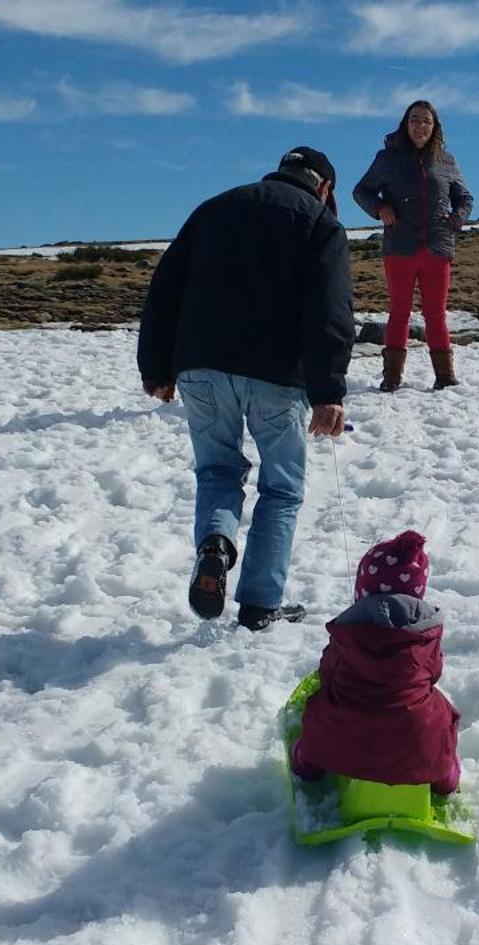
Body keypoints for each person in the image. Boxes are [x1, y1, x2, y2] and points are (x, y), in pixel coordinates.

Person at [138, 146, 352, 631]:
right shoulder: (322, 224)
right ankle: (259, 605)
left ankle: (215, 545)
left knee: (217, 470)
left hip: (201, 369)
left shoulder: (212, 209)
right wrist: (328, 391)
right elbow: (330, 312)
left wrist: (156, 367)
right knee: (281, 488)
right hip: (277, 377)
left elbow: (164, 290)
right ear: (324, 187)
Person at [291, 530, 462, 794]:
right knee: (438, 710)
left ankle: (307, 763)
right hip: (412, 746)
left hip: (343, 739)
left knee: (321, 710)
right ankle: (444, 776)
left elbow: (329, 673)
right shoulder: (426, 632)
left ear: (363, 587)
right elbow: (433, 673)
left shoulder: (348, 629)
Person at [352, 99, 474, 392]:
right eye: (415, 120)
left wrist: (457, 217)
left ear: (435, 127)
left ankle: (445, 376)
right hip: (400, 246)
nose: (420, 126)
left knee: (436, 313)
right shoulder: (388, 158)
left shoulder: (447, 161)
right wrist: (380, 208)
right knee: (399, 311)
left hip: (438, 246)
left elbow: (465, 198)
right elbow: (361, 191)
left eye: (426, 121)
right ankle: (391, 378)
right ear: (406, 125)